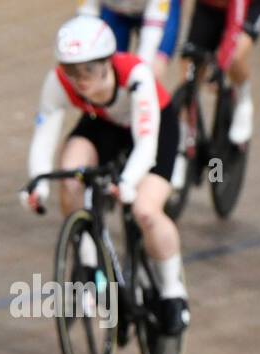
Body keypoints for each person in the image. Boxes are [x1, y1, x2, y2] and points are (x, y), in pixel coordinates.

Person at [24, 15, 191, 335]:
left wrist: (128, 182)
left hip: (152, 128)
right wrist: (38, 181)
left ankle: (172, 292)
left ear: (107, 63)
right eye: (72, 70)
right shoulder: (58, 80)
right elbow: (45, 132)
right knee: (71, 175)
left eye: (88, 68)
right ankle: (86, 264)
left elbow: (146, 142)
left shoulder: (135, 76)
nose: (80, 78)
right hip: (105, 123)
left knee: (145, 210)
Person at [185, 0, 260, 143]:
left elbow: (235, 27)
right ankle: (186, 126)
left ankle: (243, 101)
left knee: (235, 57)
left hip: (250, 5)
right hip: (209, 5)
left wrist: (220, 67)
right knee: (191, 62)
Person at [78, 0, 183, 72]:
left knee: (154, 64)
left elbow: (153, 30)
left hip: (155, 8)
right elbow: (86, 15)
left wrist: (143, 70)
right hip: (114, 10)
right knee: (110, 62)